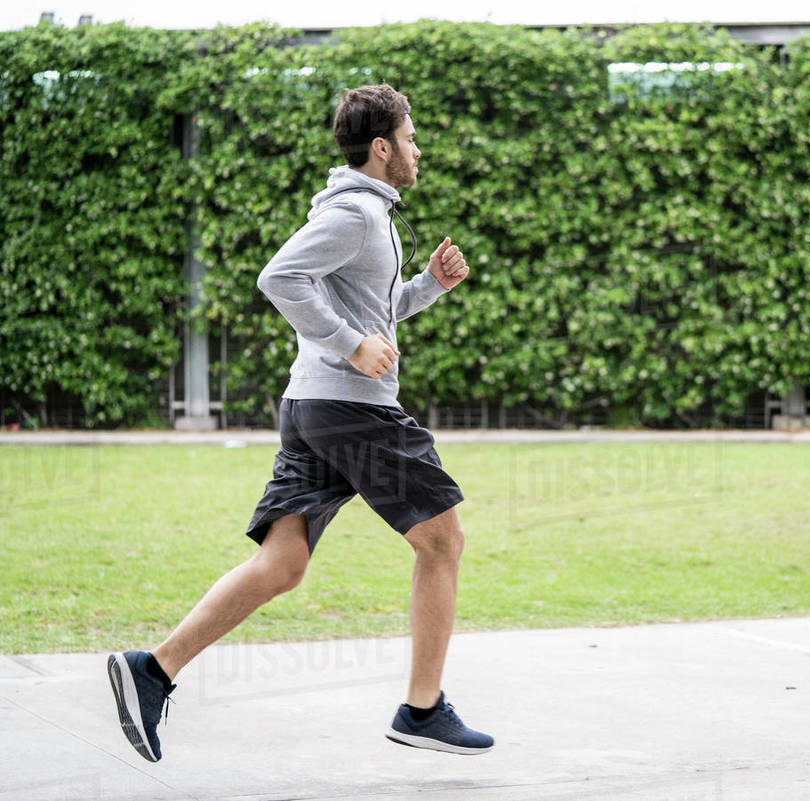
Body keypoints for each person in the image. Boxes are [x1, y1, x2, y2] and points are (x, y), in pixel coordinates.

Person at [106, 84, 492, 761]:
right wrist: (350, 344)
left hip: (313, 407)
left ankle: (153, 670)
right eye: (410, 138)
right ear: (382, 148)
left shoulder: (367, 214)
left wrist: (429, 284)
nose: (417, 149)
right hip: (352, 408)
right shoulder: (356, 215)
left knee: (281, 562)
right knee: (442, 542)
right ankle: (422, 708)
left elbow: (376, 311)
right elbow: (280, 278)